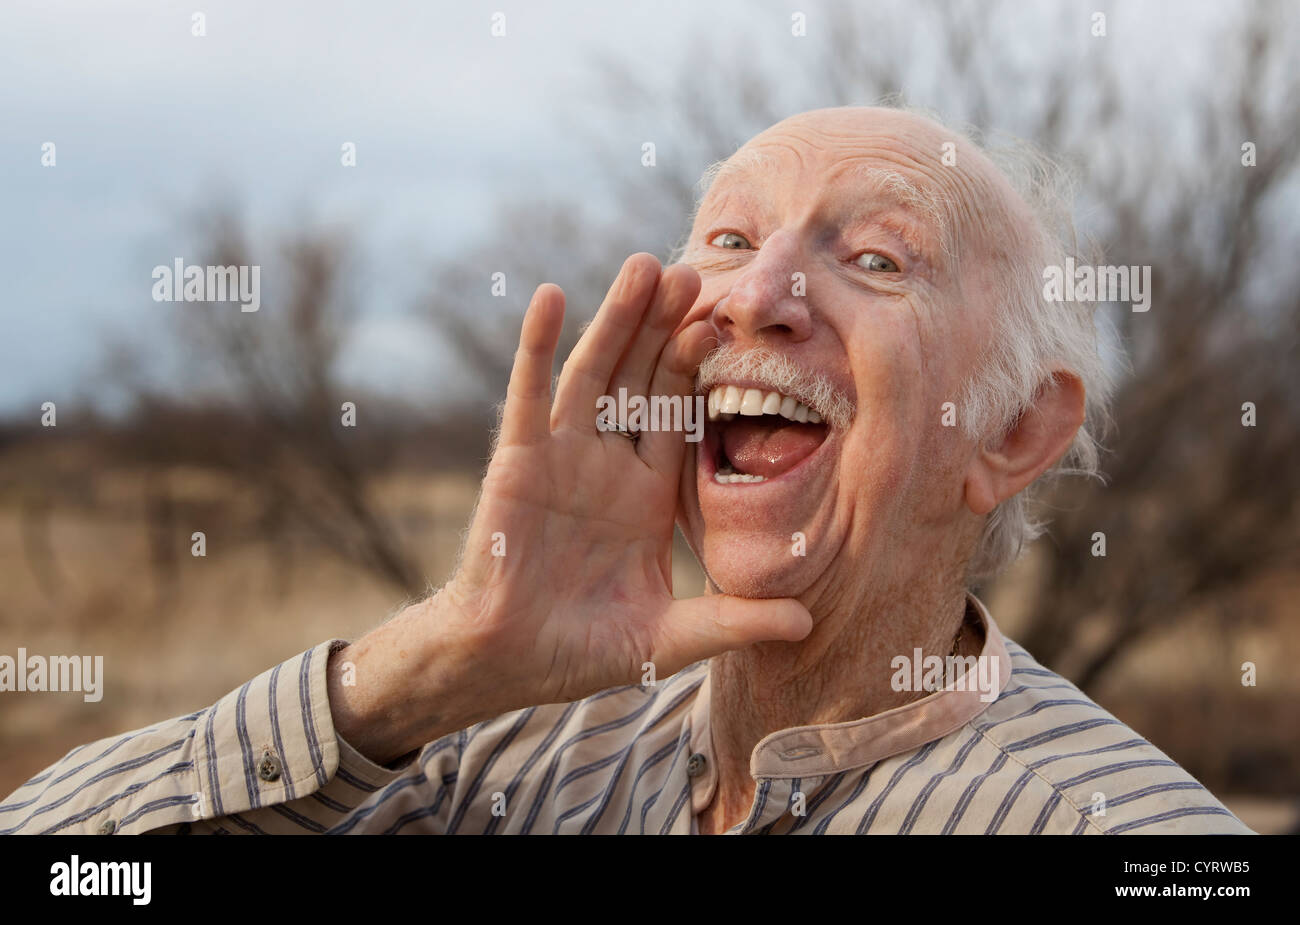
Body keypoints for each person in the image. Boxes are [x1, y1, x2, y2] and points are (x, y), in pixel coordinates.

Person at [0, 105, 1252, 835]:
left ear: (1012, 432)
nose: (756, 295)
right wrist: (440, 658)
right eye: (726, 238)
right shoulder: (500, 750)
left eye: (876, 258)